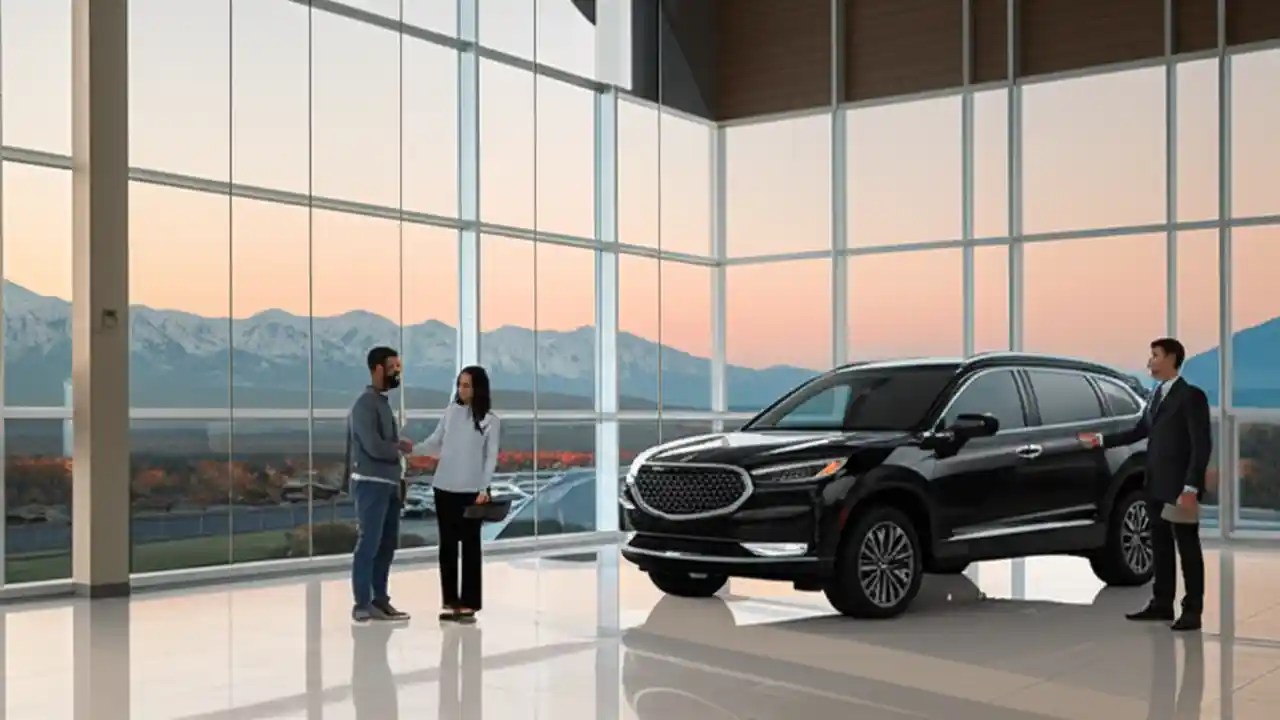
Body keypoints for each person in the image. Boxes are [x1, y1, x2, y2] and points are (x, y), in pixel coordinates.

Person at [1080, 338, 1211, 631]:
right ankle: (1162, 603)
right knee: (1160, 547)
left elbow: (1201, 446)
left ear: (1172, 358)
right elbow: (1138, 431)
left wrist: (1191, 488)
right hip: (1155, 483)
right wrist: (1101, 440)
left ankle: (1192, 611)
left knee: (1187, 548)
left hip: (1180, 488)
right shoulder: (1155, 396)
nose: (1149, 362)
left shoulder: (1191, 396)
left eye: (1154, 356)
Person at [415, 366, 500, 623]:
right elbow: (435, 442)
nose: (462, 389)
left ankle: (470, 603)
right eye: (460, 384)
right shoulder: (450, 412)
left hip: (471, 491)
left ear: (478, 389)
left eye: (467, 385)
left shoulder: (490, 421)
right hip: (444, 488)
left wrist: (484, 488)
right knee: (448, 547)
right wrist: (410, 449)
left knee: (471, 547)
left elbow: (490, 459)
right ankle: (450, 601)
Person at [346, 346, 414, 623]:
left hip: (388, 484)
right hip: (371, 484)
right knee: (369, 543)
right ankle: (362, 604)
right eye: (392, 367)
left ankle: (380, 600)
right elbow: (373, 446)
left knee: (386, 545)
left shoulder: (383, 403)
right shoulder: (364, 405)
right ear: (376, 369)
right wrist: (397, 447)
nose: (397, 372)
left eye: (399, 366)